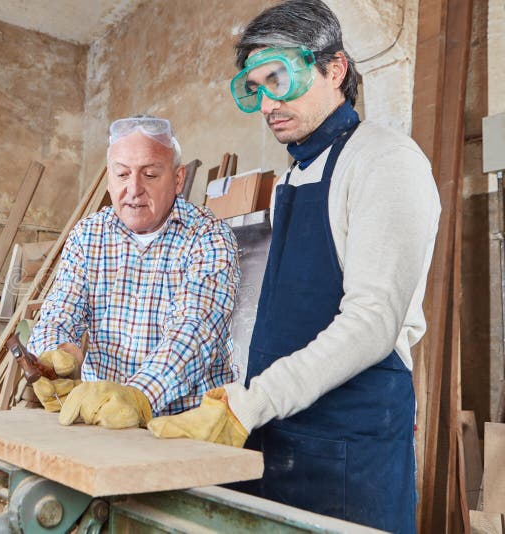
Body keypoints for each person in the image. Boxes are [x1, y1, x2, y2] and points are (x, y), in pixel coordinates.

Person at [147, 2, 441, 532]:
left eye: (279, 78)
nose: (267, 103)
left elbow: (372, 322)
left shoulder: (385, 160)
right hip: (274, 432)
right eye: (255, 87)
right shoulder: (292, 178)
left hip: (347, 448)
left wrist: (254, 402)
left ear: (335, 69)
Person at [27, 115, 241, 429]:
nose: (134, 189)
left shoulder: (209, 237)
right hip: (103, 423)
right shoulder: (88, 235)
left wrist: (136, 396)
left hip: (185, 427)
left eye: (151, 174)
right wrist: (54, 353)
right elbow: (59, 311)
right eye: (122, 174)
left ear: (178, 179)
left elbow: (194, 332)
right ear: (109, 180)